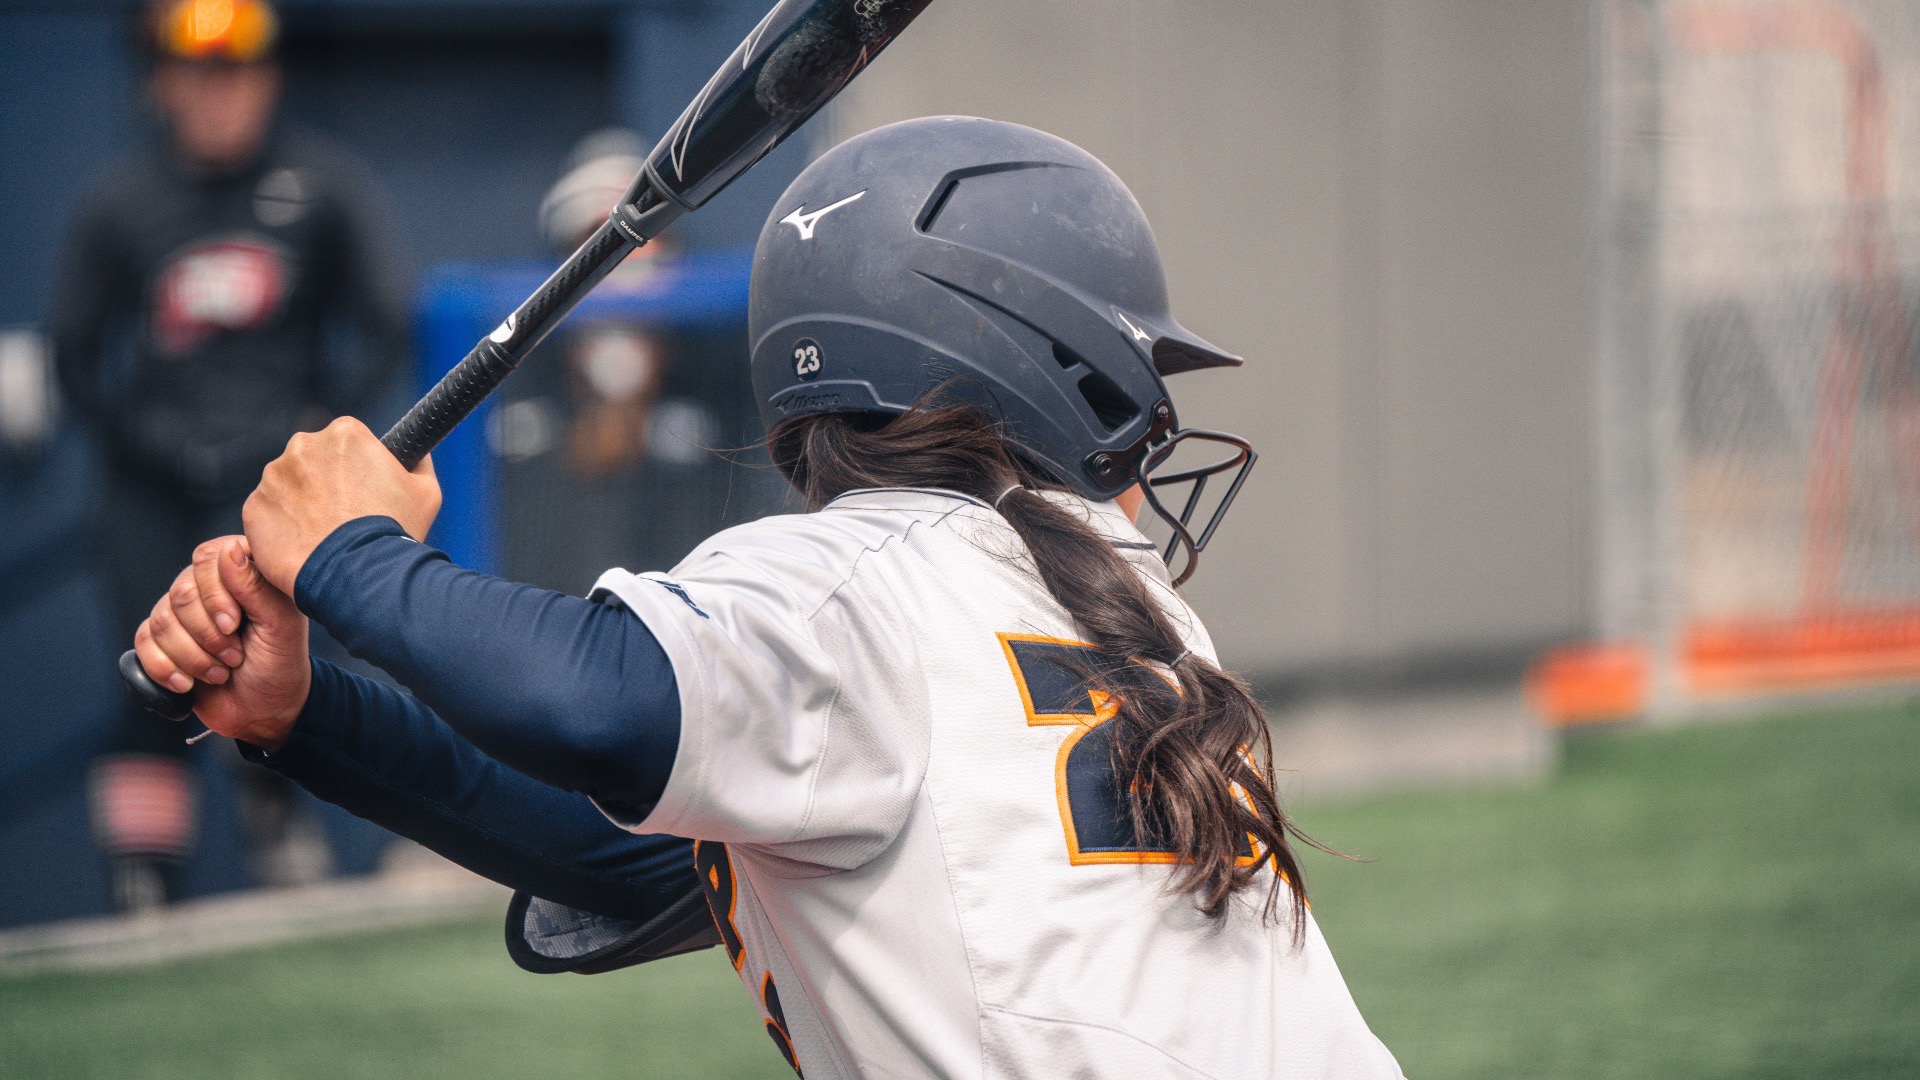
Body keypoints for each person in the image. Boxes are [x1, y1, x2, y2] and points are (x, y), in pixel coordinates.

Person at [133, 117, 1405, 1078]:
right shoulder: (1098, 597)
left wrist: (351, 550)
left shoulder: (867, 578)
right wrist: (301, 713)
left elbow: (594, 705)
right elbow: (625, 858)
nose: (1145, 426)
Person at [50, 0, 409, 907]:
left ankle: (283, 844)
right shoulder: (121, 203)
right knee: (148, 673)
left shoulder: (320, 183)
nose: (221, 96)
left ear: (270, 77)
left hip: (271, 480)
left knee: (271, 668)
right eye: (201, 74)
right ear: (164, 82)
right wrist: (150, 438)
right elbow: (74, 352)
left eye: (238, 74)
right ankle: (143, 893)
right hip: (152, 481)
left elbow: (382, 323)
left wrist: (311, 428)